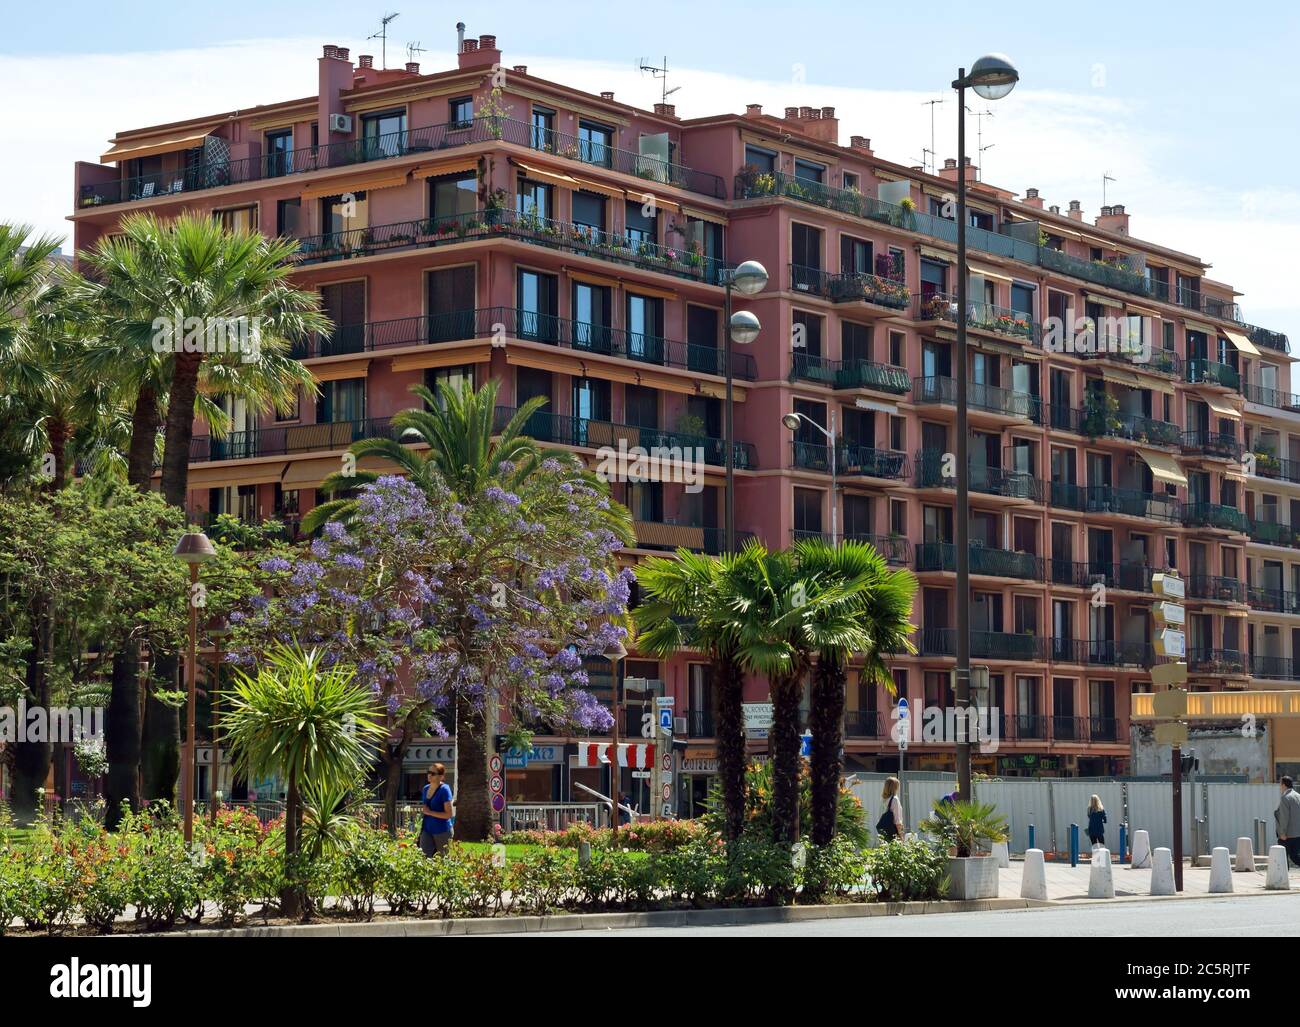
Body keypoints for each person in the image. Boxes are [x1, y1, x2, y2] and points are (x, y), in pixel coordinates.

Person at [419, 763, 454, 857]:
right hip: (427, 830)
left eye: (433, 773)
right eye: (428, 772)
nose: (429, 775)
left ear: (441, 776)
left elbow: (449, 814)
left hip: (442, 831)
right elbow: (425, 808)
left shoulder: (444, 789)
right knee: (423, 858)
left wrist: (430, 812)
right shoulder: (425, 789)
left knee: (444, 860)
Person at [1275, 775, 1300, 867]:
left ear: (1284, 785)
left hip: (1287, 835)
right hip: (1298, 834)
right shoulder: (1298, 796)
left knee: (1283, 858)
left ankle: (1283, 878)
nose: (1279, 786)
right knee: (1295, 856)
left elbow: (1284, 817)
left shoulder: (1285, 798)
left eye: (1280, 784)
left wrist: (1282, 833)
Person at [876, 776, 904, 843]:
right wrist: (901, 835)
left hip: (883, 831)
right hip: (893, 831)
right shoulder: (894, 799)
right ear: (895, 787)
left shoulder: (883, 799)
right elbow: (897, 820)